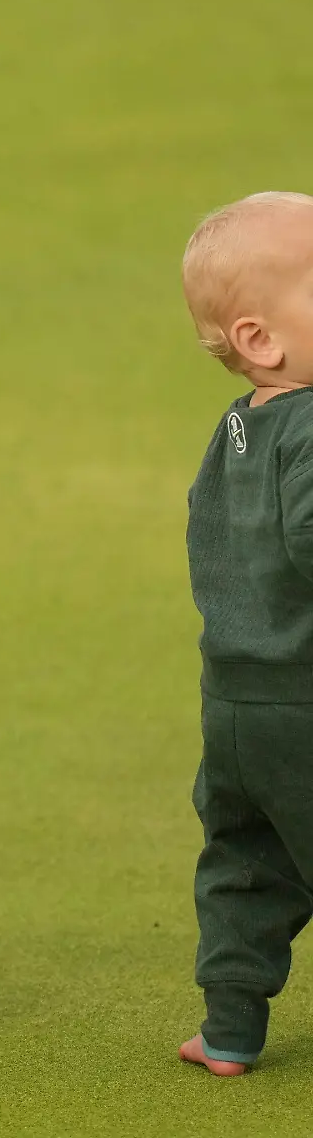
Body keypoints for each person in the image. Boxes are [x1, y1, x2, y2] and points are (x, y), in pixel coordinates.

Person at [180, 190, 313, 1076]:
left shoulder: (234, 431)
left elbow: (207, 532)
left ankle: (229, 1028)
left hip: (233, 702)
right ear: (262, 339)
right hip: (306, 699)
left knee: (245, 863)